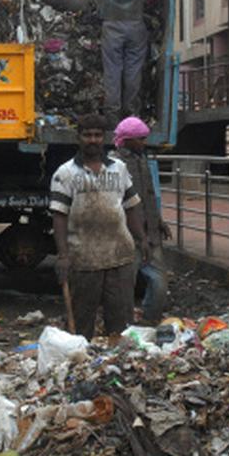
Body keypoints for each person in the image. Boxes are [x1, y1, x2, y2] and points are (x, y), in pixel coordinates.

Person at [51, 114, 146, 340]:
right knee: (81, 326)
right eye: (87, 135)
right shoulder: (64, 173)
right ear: (79, 138)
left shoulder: (119, 169)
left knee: (121, 324)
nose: (92, 140)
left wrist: (141, 239)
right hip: (83, 259)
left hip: (120, 256)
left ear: (104, 138)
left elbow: (131, 207)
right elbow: (59, 216)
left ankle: (117, 368)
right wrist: (63, 255)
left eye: (97, 135)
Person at [110, 116, 170, 322]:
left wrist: (159, 221)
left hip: (150, 233)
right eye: (140, 138)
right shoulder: (115, 165)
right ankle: (123, 322)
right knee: (125, 283)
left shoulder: (142, 160)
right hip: (127, 236)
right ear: (127, 139)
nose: (143, 143)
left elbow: (149, 195)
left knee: (160, 284)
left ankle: (150, 318)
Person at [91, 0, 154, 122]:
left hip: (112, 21)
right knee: (133, 70)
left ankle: (112, 116)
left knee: (113, 70)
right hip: (135, 21)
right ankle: (131, 113)